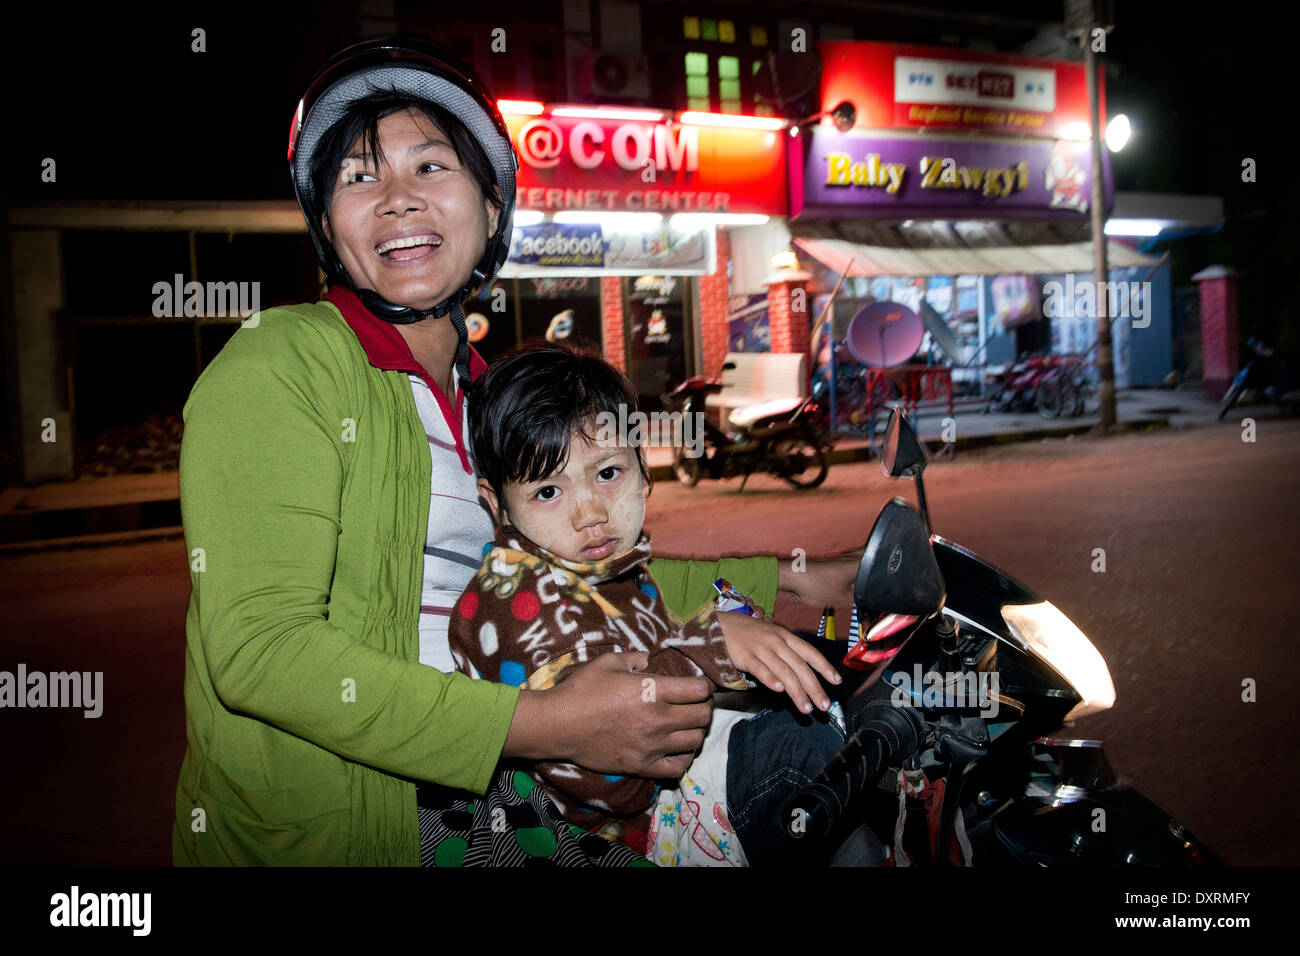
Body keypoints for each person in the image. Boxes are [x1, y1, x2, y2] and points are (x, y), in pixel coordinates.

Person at [173, 35, 856, 866]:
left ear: (491, 208)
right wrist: (549, 724)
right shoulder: (283, 363)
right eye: (358, 177)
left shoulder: (490, 394)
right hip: (382, 822)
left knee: (828, 759)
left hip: (519, 772)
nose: (395, 198)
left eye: (430, 168)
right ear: (325, 225)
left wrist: (793, 578)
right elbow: (258, 648)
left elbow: (582, 565)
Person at [446, 344, 859, 866]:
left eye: (607, 474)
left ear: (645, 471)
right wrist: (711, 647)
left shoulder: (596, 565)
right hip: (615, 834)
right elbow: (614, 781)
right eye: (548, 492)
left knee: (820, 679)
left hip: (664, 785)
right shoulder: (515, 604)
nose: (590, 513)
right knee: (803, 748)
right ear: (496, 505)